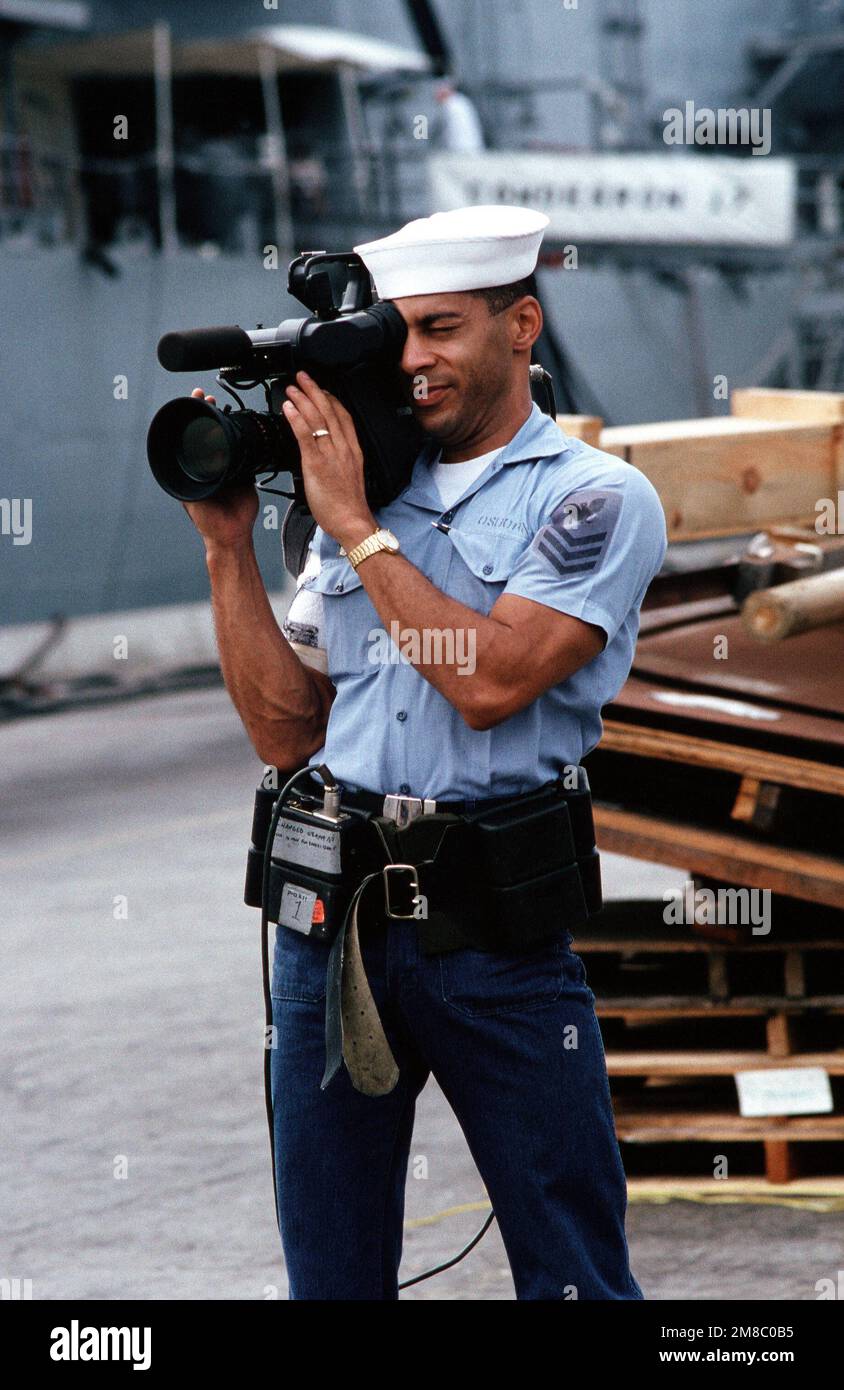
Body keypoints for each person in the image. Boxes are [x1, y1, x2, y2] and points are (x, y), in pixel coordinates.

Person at [184, 205, 666, 1300]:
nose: (413, 360)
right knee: (332, 1275)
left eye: (442, 328)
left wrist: (356, 526)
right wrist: (226, 551)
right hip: (330, 936)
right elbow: (285, 728)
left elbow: (489, 679)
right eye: (395, 332)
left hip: (492, 936)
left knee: (572, 1271)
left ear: (521, 325)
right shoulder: (362, 490)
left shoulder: (590, 500)